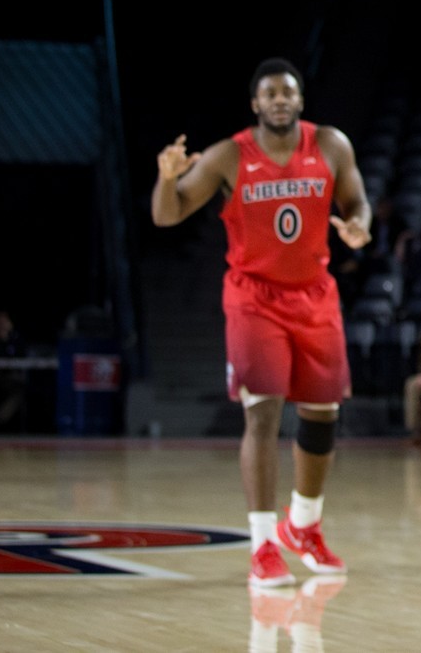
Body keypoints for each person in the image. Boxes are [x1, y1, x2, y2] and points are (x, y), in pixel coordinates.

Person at [151, 57, 371, 588]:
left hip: (315, 294)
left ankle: (305, 527)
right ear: (255, 104)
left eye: (287, 92)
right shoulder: (230, 155)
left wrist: (358, 226)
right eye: (269, 93)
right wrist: (167, 178)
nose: (279, 99)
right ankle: (263, 544)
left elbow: (357, 199)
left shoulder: (332, 145)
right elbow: (167, 214)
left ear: (299, 100)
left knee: (323, 415)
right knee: (263, 413)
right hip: (255, 298)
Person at [0, 309, 28, 433]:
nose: (1, 325)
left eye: (4, 321)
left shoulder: (15, 339)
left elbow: (20, 357)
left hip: (9, 379)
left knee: (18, 391)